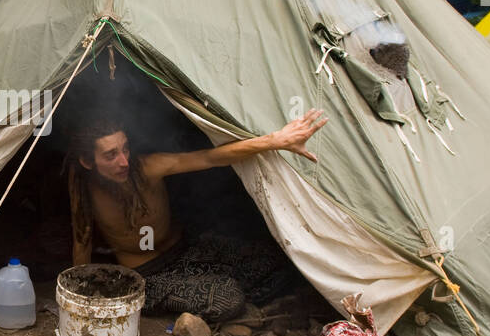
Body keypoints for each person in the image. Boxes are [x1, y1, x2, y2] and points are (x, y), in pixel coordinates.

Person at [67, 109, 327, 321]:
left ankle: (209, 284)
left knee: (279, 258)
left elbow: (210, 158)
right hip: (149, 275)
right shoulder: (85, 191)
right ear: (88, 162)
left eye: (125, 149)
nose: (123, 161)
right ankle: (213, 290)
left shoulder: (146, 168)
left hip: (184, 251)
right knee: (227, 299)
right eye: (111, 155)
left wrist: (274, 141)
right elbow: (82, 242)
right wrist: (78, 303)